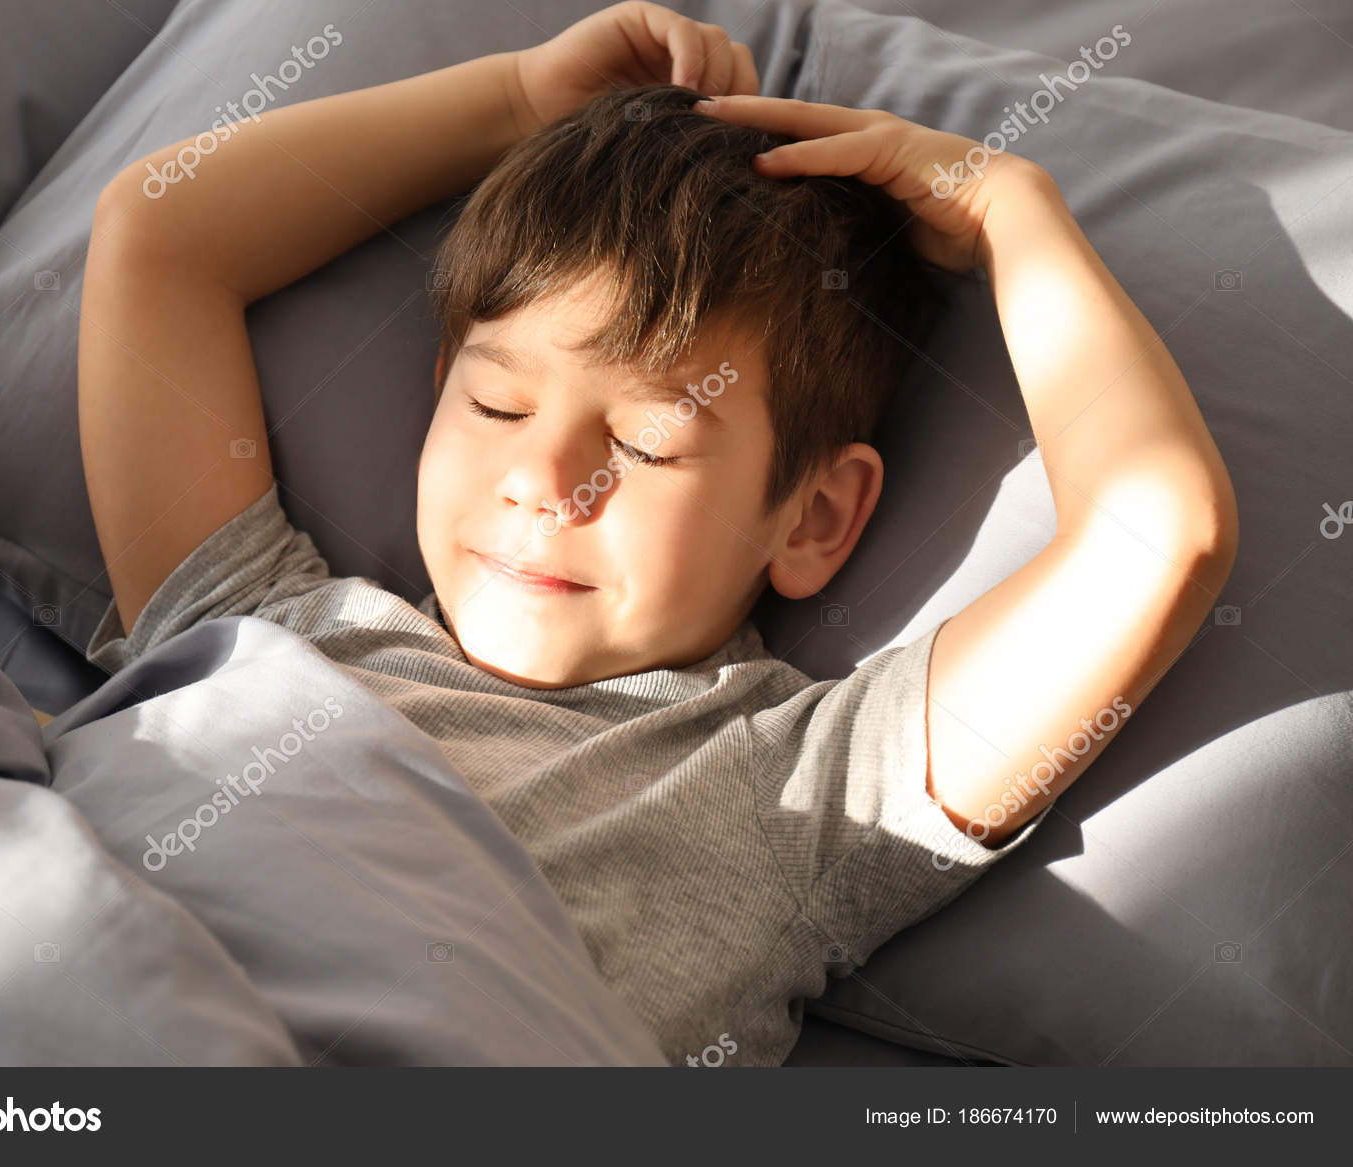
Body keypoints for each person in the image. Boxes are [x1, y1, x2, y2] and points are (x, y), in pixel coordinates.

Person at [75, 2, 1238, 1065]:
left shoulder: (801, 797)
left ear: (814, 518)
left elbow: (1157, 532)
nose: (543, 479)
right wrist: (516, 104)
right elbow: (159, 229)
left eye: (645, 442)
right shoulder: (252, 627)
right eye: (497, 405)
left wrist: (1006, 209)